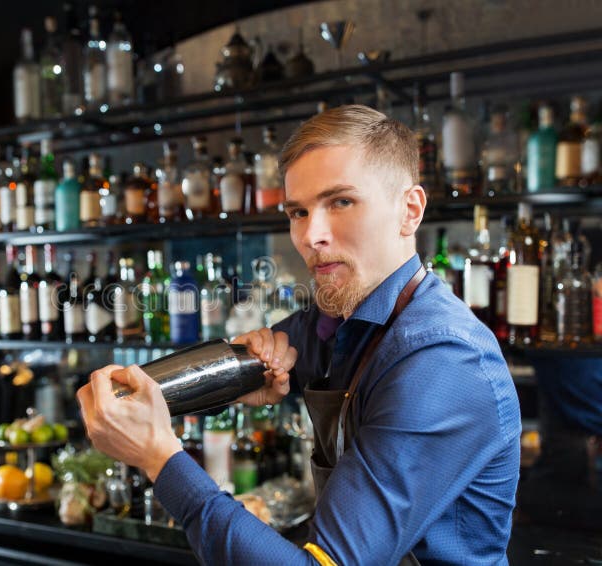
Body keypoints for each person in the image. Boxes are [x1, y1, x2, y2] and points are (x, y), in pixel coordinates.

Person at [77, 105, 521, 565]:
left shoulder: (441, 358)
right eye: (298, 211)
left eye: (341, 202)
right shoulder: (347, 318)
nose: (312, 235)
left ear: (409, 211)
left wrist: (160, 459)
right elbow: (262, 352)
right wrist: (141, 391)